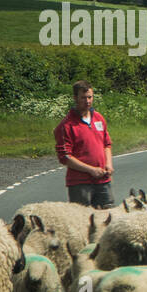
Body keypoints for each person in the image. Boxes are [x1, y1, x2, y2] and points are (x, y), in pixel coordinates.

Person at [55, 80, 115, 208]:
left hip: (103, 180)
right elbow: (65, 157)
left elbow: (107, 144)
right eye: (83, 98)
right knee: (83, 222)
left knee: (108, 216)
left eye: (90, 97)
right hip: (80, 183)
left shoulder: (99, 118)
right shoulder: (66, 125)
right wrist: (91, 170)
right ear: (75, 98)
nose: (87, 101)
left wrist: (108, 164)